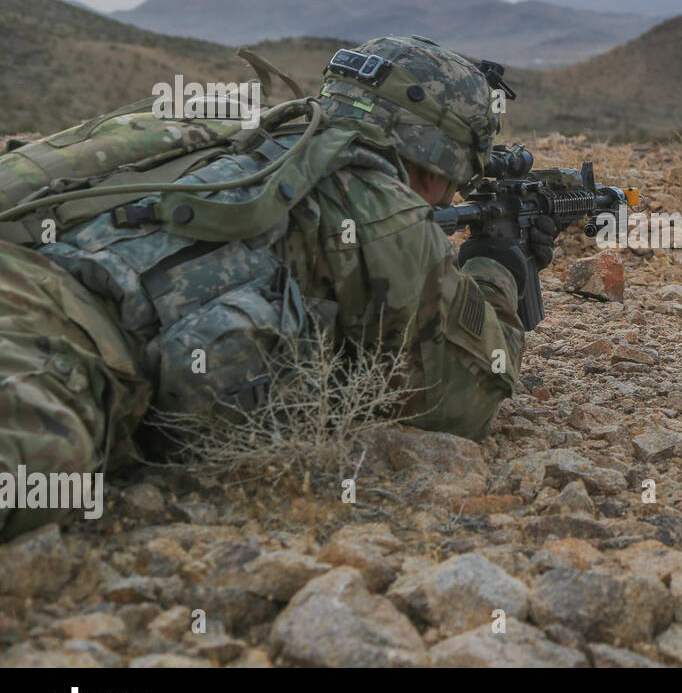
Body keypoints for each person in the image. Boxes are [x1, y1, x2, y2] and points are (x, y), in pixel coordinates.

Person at [0, 35, 556, 542]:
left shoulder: (219, 126)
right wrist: (496, 268)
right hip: (45, 332)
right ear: (439, 165)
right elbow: (464, 398)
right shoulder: (377, 210)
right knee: (37, 460)